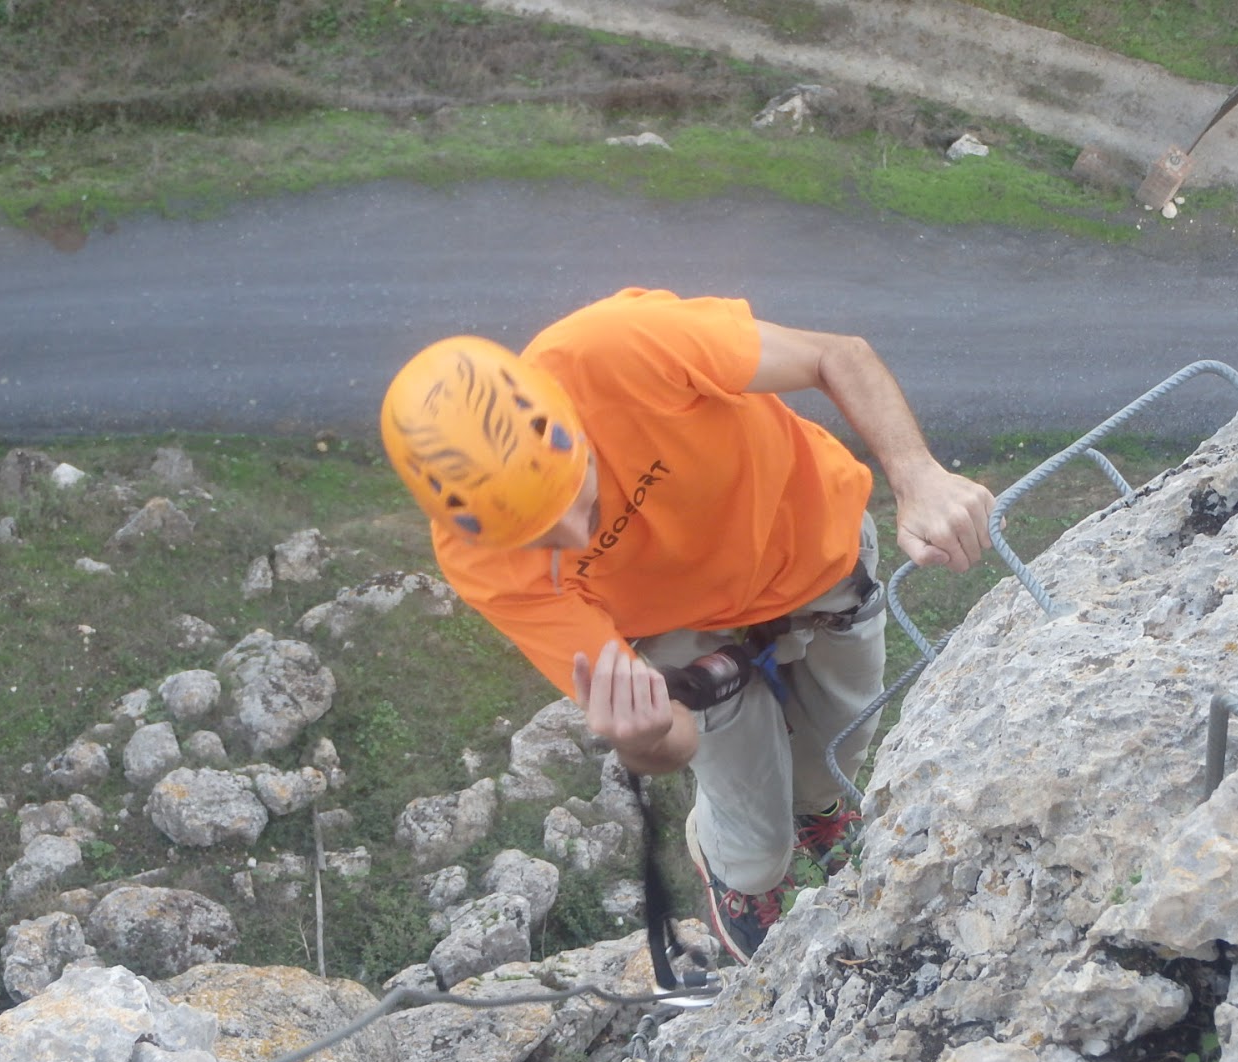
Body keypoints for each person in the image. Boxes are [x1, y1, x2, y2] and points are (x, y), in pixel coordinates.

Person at [380, 287, 994, 964]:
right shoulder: (485, 565)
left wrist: (918, 476)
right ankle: (743, 880)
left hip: (812, 551)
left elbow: (835, 356)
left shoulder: (623, 348)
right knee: (757, 848)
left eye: (574, 488)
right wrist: (645, 740)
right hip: (680, 636)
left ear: (570, 414)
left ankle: (819, 811)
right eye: (538, 537)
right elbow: (665, 743)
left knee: (839, 755)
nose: (575, 533)